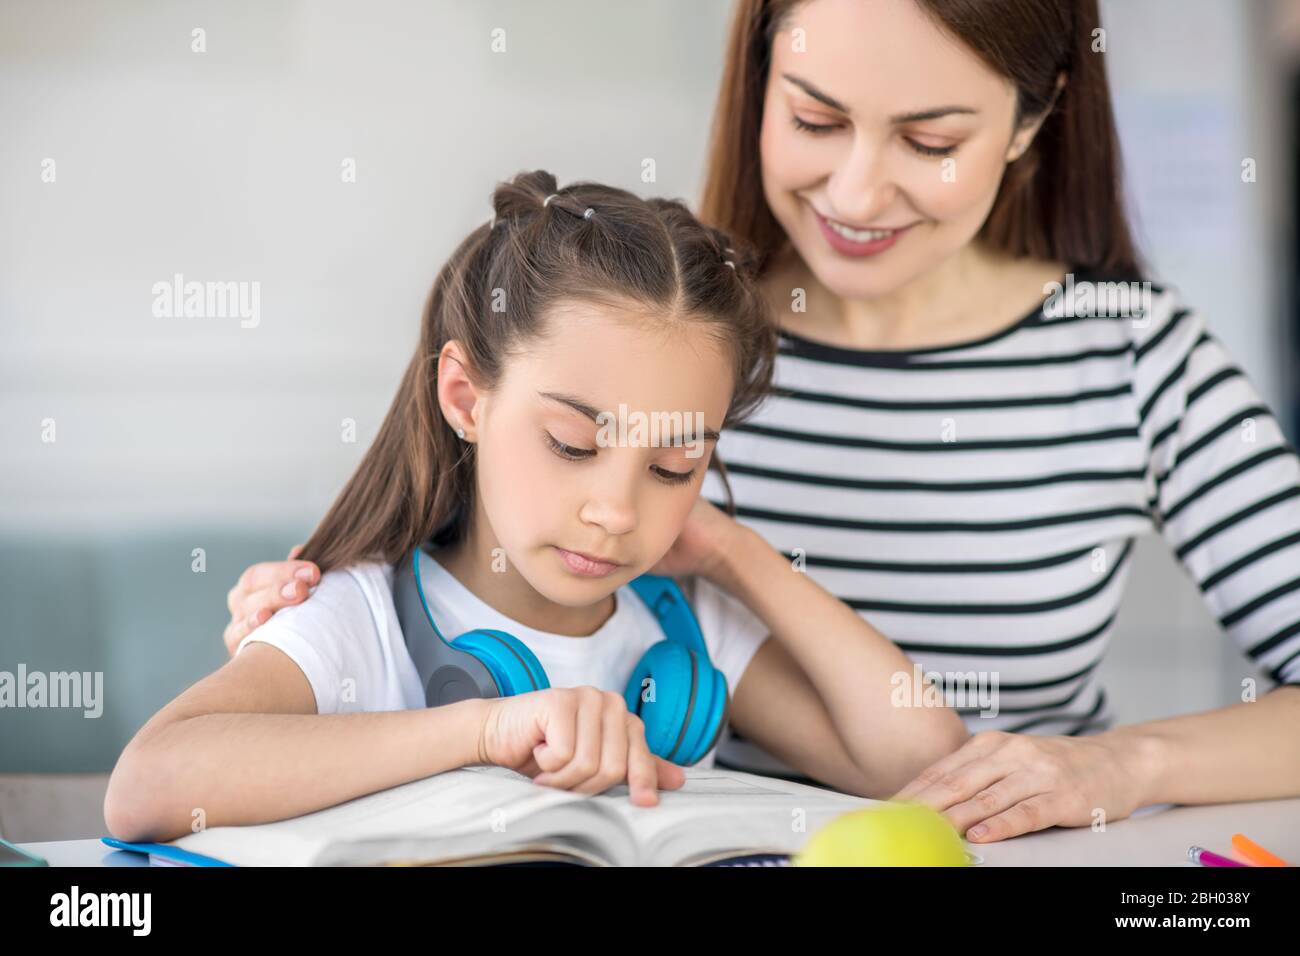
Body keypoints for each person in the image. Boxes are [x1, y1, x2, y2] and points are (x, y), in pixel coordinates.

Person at [222, 0, 1300, 844]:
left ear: (1031, 120)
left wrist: (1124, 764)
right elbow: (441, 543)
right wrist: (297, 622)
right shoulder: (662, 340)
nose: (858, 190)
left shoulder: (1131, 353)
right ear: (758, 83)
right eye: (815, 118)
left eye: (929, 139)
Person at [103, 170, 966, 844]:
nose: (616, 511)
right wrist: (484, 730)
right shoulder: (358, 612)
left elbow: (925, 763)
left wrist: (733, 556)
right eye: (573, 447)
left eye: (672, 465)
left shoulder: (681, 625)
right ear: (466, 398)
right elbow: (147, 787)